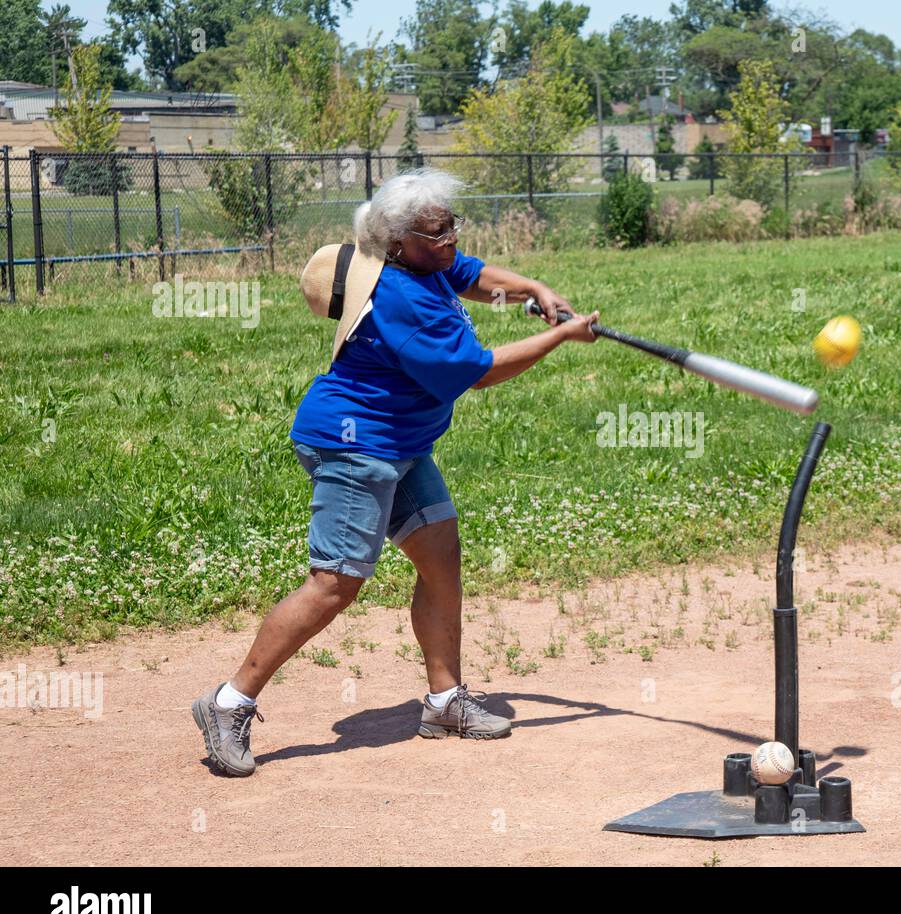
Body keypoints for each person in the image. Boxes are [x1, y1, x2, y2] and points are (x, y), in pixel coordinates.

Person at [192, 168, 597, 776]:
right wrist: (560, 336)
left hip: (403, 443)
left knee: (440, 560)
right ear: (399, 242)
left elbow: (479, 278)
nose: (452, 238)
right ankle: (227, 703)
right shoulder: (399, 297)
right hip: (355, 445)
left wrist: (533, 289)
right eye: (439, 231)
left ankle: (443, 702)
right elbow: (477, 371)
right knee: (335, 585)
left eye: (452, 224)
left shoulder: (428, 264)